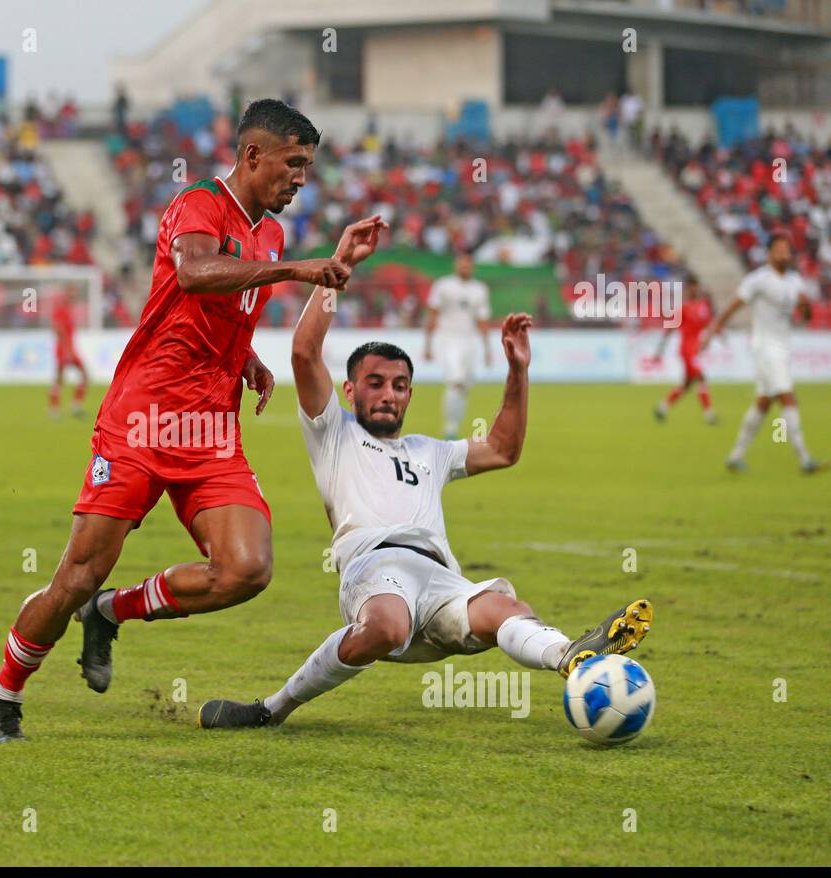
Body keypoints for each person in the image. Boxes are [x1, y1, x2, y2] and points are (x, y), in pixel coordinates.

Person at [0, 99, 355, 743]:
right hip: (142, 423)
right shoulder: (198, 205)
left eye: (308, 167)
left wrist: (248, 360)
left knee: (247, 568)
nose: (300, 178)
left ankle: (113, 612)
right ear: (252, 154)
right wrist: (296, 271)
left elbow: (221, 312)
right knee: (76, 574)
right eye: (293, 164)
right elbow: (196, 273)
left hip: (209, 431)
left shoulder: (270, 232)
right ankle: (3, 692)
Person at [198, 217, 653, 730]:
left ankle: (572, 658)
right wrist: (340, 264)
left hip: (441, 578)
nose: (388, 393)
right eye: (374, 383)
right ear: (350, 391)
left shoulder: (431, 451)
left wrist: (518, 373)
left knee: (503, 608)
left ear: (411, 394)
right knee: (387, 625)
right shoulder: (335, 433)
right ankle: (270, 710)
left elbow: (503, 450)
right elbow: (304, 352)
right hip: (375, 569)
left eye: (399, 385)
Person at [701, 233, 822, 474]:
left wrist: (806, 307)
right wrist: (712, 332)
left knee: (764, 403)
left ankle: (735, 456)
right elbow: (733, 307)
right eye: (779, 250)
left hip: (783, 347)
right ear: (769, 253)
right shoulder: (758, 280)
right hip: (765, 347)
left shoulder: (795, 281)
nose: (784, 254)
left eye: (787, 250)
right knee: (787, 397)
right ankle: (804, 458)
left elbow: (805, 319)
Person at [423, 253, 492, 439]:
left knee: (464, 387)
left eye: (468, 264)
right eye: (462, 263)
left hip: (470, 341)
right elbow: (432, 315)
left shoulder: (480, 290)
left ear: (472, 266)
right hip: (448, 339)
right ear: (456, 265)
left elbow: (483, 321)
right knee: (455, 382)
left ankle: (455, 426)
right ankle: (450, 431)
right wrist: (427, 345)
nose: (465, 267)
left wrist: (488, 350)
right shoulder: (443, 286)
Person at [654, 275, 717, 424]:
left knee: (687, 384)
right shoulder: (683, 308)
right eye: (691, 287)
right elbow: (669, 329)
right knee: (702, 377)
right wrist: (660, 350)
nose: (694, 289)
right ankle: (709, 415)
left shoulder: (703, 306)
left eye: (695, 286)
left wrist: (711, 338)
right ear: (687, 289)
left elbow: (709, 325)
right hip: (687, 350)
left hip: (696, 349)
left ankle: (662, 408)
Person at [48, 284, 88, 419]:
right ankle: (54, 409)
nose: (74, 296)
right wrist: (67, 350)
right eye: (72, 292)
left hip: (70, 348)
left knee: (84, 375)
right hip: (64, 349)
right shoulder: (60, 309)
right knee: (60, 378)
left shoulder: (69, 310)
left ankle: (75, 406)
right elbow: (58, 330)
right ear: (66, 293)